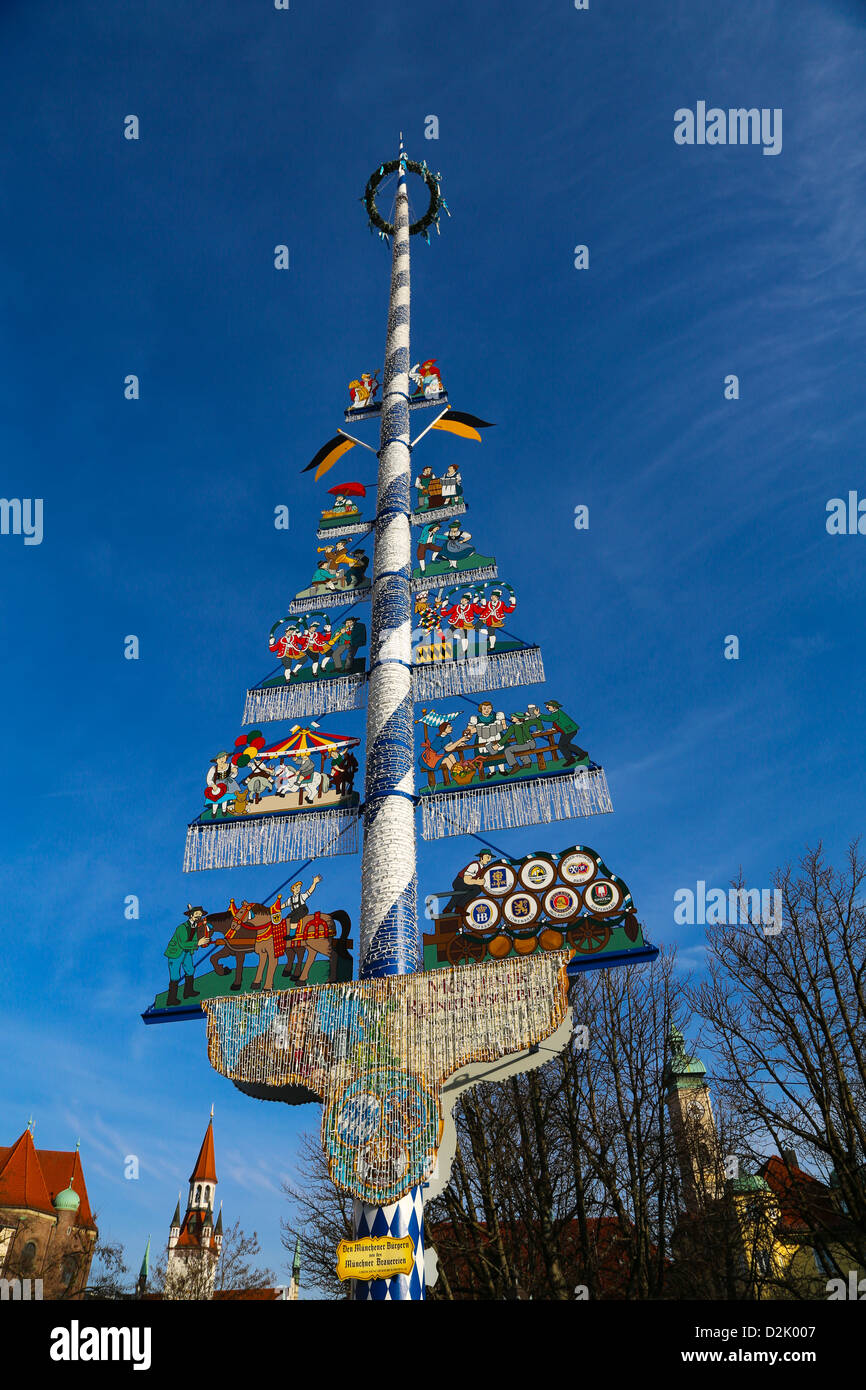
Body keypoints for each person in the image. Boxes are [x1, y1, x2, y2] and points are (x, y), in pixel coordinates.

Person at [164, 906, 212, 1006]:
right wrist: (198, 943)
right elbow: (183, 943)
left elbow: (208, 927)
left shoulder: (195, 925)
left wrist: (201, 941)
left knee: (190, 970)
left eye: (200, 915)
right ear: (191, 915)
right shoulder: (181, 928)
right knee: (175, 976)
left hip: (187, 952)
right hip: (176, 953)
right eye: (197, 914)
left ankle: (188, 992)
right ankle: (171, 999)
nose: (199, 916)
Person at [442, 851, 495, 916]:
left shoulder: (483, 869)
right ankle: (452, 909)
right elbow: (466, 880)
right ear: (481, 857)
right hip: (460, 881)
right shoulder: (475, 865)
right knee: (473, 889)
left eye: (490, 858)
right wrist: (477, 882)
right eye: (487, 857)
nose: (489, 859)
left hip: (467, 883)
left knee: (475, 889)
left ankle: (455, 908)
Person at [543, 700, 588, 768]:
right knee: (565, 744)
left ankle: (571, 759)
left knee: (562, 745)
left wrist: (538, 715)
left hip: (569, 730)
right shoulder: (556, 713)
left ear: (554, 707)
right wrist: (554, 728)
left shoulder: (556, 713)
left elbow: (550, 719)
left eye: (548, 707)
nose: (547, 708)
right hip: (568, 730)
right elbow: (556, 722)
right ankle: (581, 754)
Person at [469, 701, 508, 777]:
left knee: (500, 753)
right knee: (486, 755)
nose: (487, 710)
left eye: (489, 708)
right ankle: (492, 771)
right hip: (483, 738)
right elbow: (470, 731)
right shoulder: (476, 719)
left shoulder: (496, 716)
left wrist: (502, 722)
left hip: (496, 736)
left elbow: (503, 727)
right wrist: (477, 729)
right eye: (484, 708)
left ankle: (502, 770)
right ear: (481, 709)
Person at [205, 751, 241, 816]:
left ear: (226, 758)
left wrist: (235, 772)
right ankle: (214, 812)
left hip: (227, 784)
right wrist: (213, 785)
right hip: (217, 785)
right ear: (216, 760)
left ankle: (224, 810)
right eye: (219, 758)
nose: (222, 760)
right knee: (215, 799)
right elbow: (209, 779)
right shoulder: (213, 768)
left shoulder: (229, 766)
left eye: (223, 757)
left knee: (225, 798)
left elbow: (233, 776)